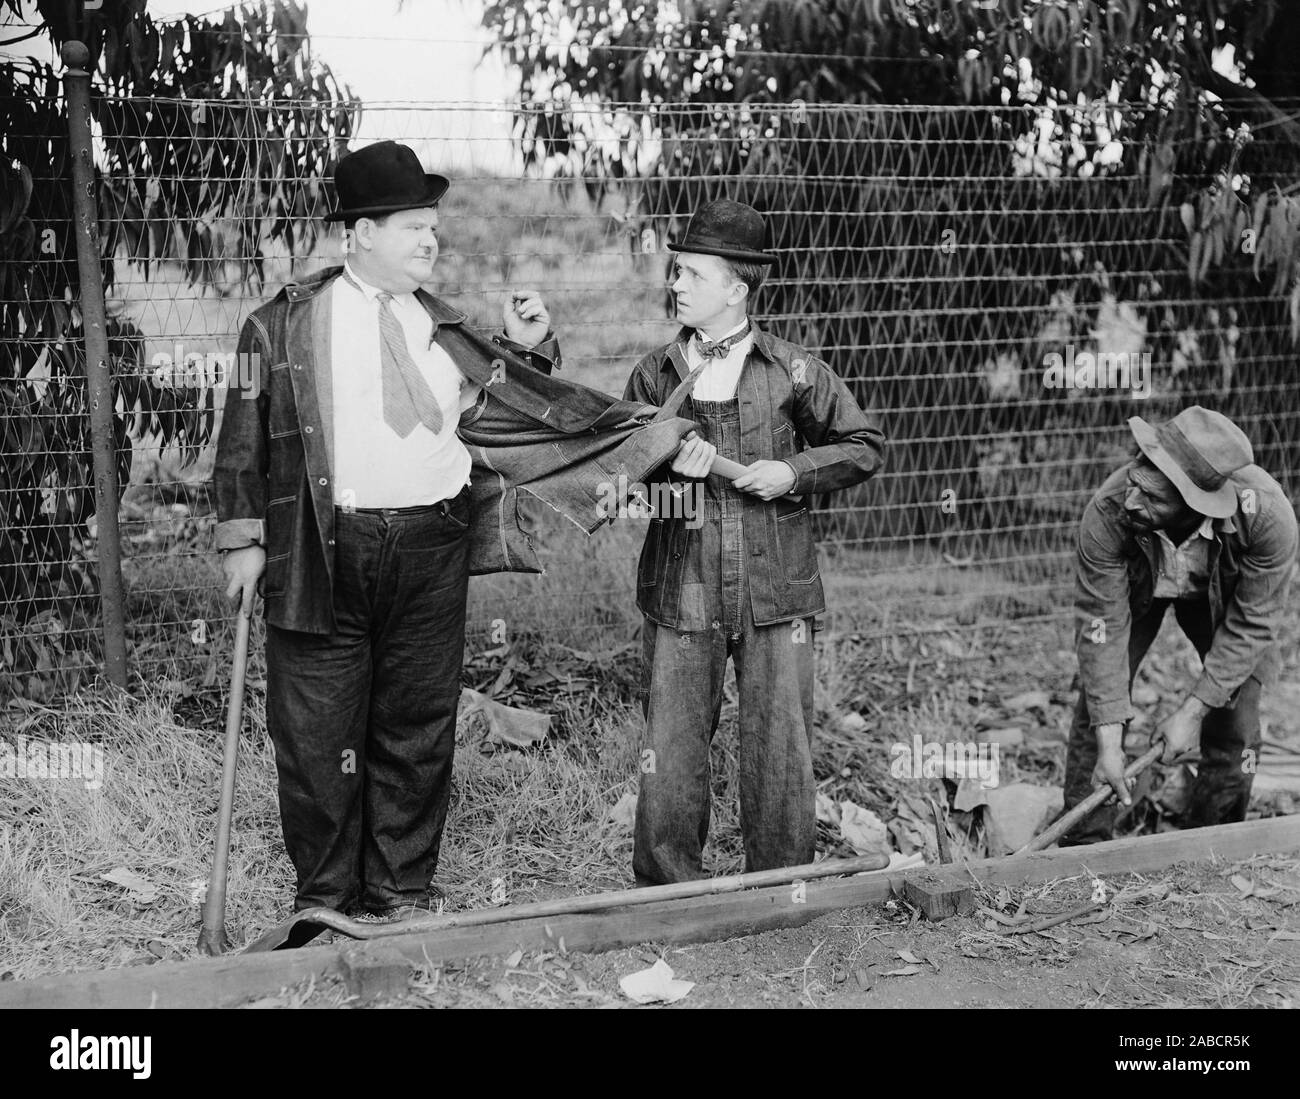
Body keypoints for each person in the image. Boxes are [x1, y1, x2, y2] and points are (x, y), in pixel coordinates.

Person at [213, 141, 558, 919]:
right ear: (360, 232)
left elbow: (511, 419)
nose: (430, 241)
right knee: (316, 727)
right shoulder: (278, 326)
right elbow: (241, 438)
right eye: (411, 227)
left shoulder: (449, 329)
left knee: (417, 719)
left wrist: (528, 351)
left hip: (433, 547)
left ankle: (400, 887)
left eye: (433, 227)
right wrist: (242, 541)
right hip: (323, 548)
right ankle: (327, 893)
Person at [622, 199, 886, 884]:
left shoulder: (793, 370)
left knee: (780, 746)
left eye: (693, 274)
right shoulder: (655, 376)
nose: (676, 283)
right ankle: (668, 890)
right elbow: (627, 485)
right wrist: (665, 475)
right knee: (672, 745)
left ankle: (779, 888)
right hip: (684, 586)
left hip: (777, 587)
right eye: (676, 270)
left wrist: (793, 471)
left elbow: (863, 445)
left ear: (737, 289)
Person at [1062, 405, 1297, 843]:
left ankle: (1210, 843)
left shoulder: (1267, 517)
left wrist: (1192, 712)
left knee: (1237, 715)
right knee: (1097, 707)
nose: (1133, 500)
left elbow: (1253, 626)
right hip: (1139, 590)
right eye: (1137, 483)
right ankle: (1082, 846)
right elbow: (1101, 627)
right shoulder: (1112, 509)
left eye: (1152, 498)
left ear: (1195, 503)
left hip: (1216, 595)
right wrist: (1110, 741)